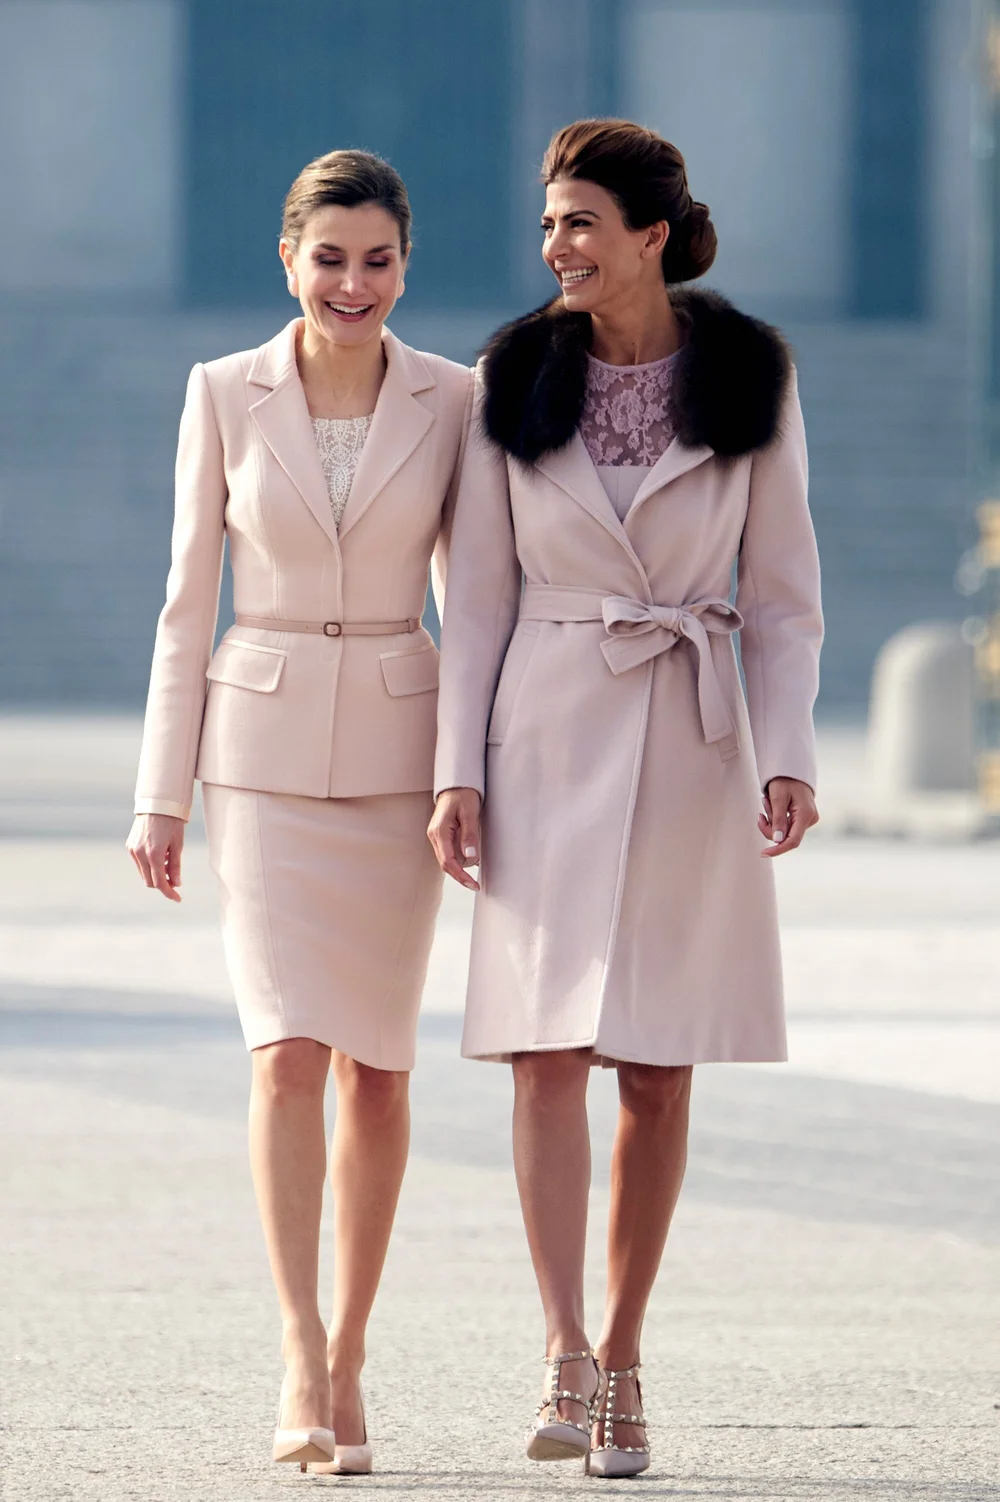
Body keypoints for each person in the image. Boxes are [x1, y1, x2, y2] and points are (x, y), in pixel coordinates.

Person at [429, 118, 822, 1478]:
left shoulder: (752, 376)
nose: (558, 249)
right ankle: (561, 1350)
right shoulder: (514, 372)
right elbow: (474, 597)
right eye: (549, 225)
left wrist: (788, 752)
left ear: (654, 234)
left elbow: (780, 596)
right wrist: (456, 768)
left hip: (693, 734)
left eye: (583, 223)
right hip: (544, 725)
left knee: (659, 1066)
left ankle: (630, 1358)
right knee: (542, 1053)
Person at [127, 149, 472, 1476]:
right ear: (289, 261)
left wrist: (468, 772)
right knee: (284, 1054)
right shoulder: (221, 393)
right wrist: (163, 790)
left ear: (404, 265)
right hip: (258, 754)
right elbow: (183, 600)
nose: (352, 283)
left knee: (380, 1067)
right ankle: (296, 1345)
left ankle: (356, 1352)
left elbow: (475, 602)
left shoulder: (456, 399)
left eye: (377, 259)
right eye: (329, 258)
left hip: (398, 755)